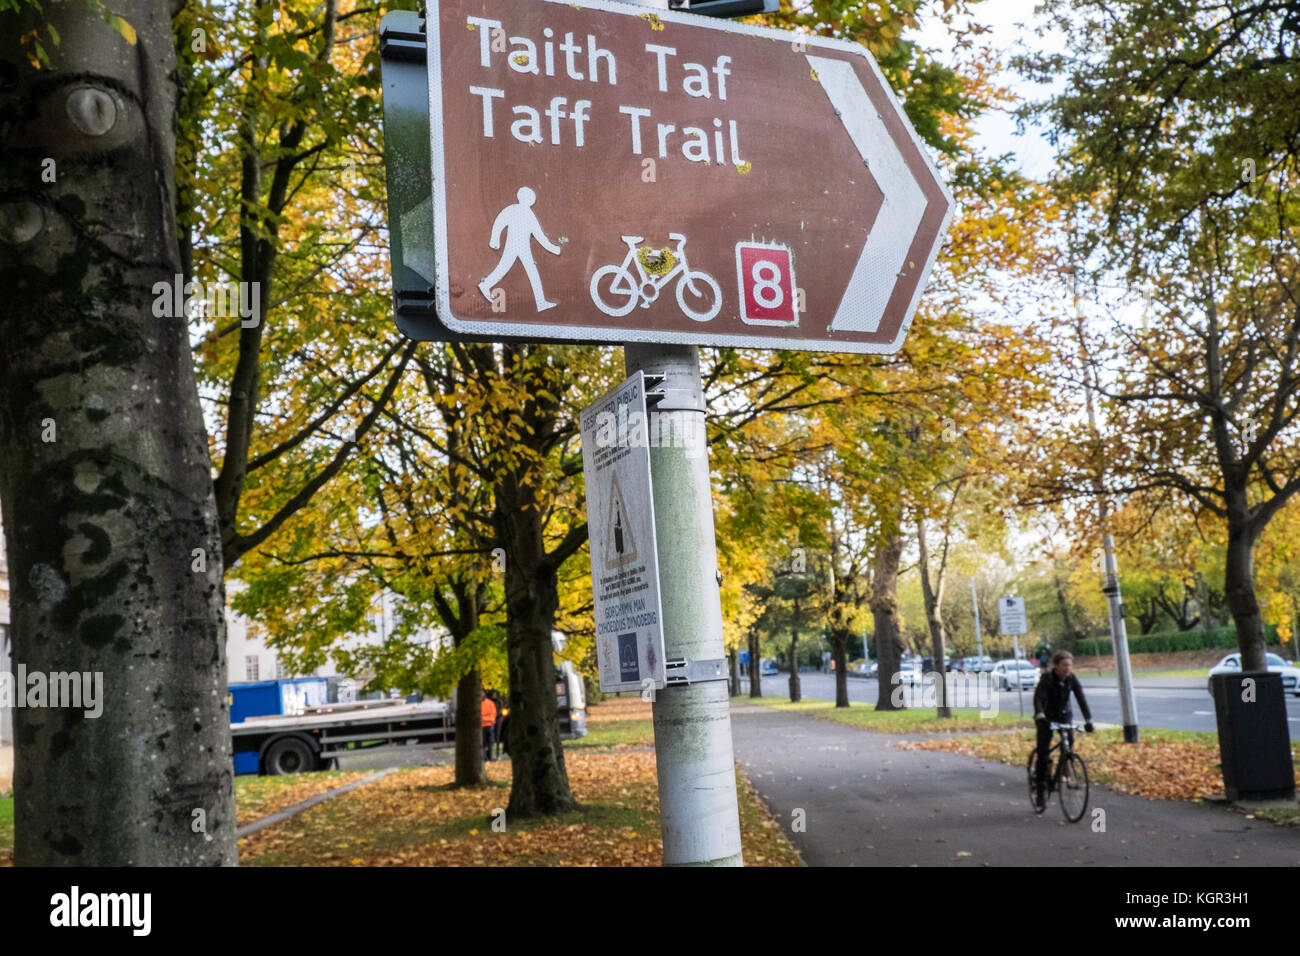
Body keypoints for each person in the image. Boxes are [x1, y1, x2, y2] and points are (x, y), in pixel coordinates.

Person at [1033, 650, 1094, 810]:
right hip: (1046, 716)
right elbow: (1038, 697)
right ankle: (1040, 789)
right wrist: (1039, 714)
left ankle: (1064, 770)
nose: (1068, 668)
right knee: (1043, 752)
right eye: (1065, 665)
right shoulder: (1047, 678)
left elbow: (1081, 698)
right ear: (1056, 666)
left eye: (1070, 665)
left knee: (1068, 743)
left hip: (1064, 715)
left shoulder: (1071, 679)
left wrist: (1088, 720)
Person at [481, 690, 499, 763]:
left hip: (483, 725)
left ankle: (486, 758)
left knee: (484, 743)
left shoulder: (479, 704)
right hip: (490, 724)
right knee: (490, 743)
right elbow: (494, 713)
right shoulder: (490, 703)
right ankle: (489, 758)